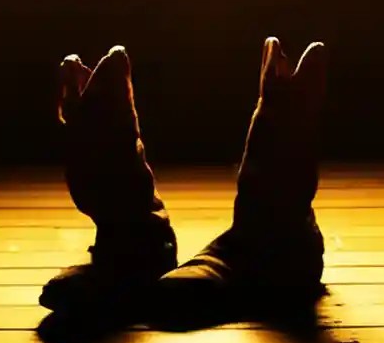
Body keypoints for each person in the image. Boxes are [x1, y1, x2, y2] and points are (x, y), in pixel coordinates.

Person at [43, 37, 328, 326]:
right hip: (276, 252)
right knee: (95, 125)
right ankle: (140, 243)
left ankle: (277, 246)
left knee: (284, 111)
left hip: (277, 252)